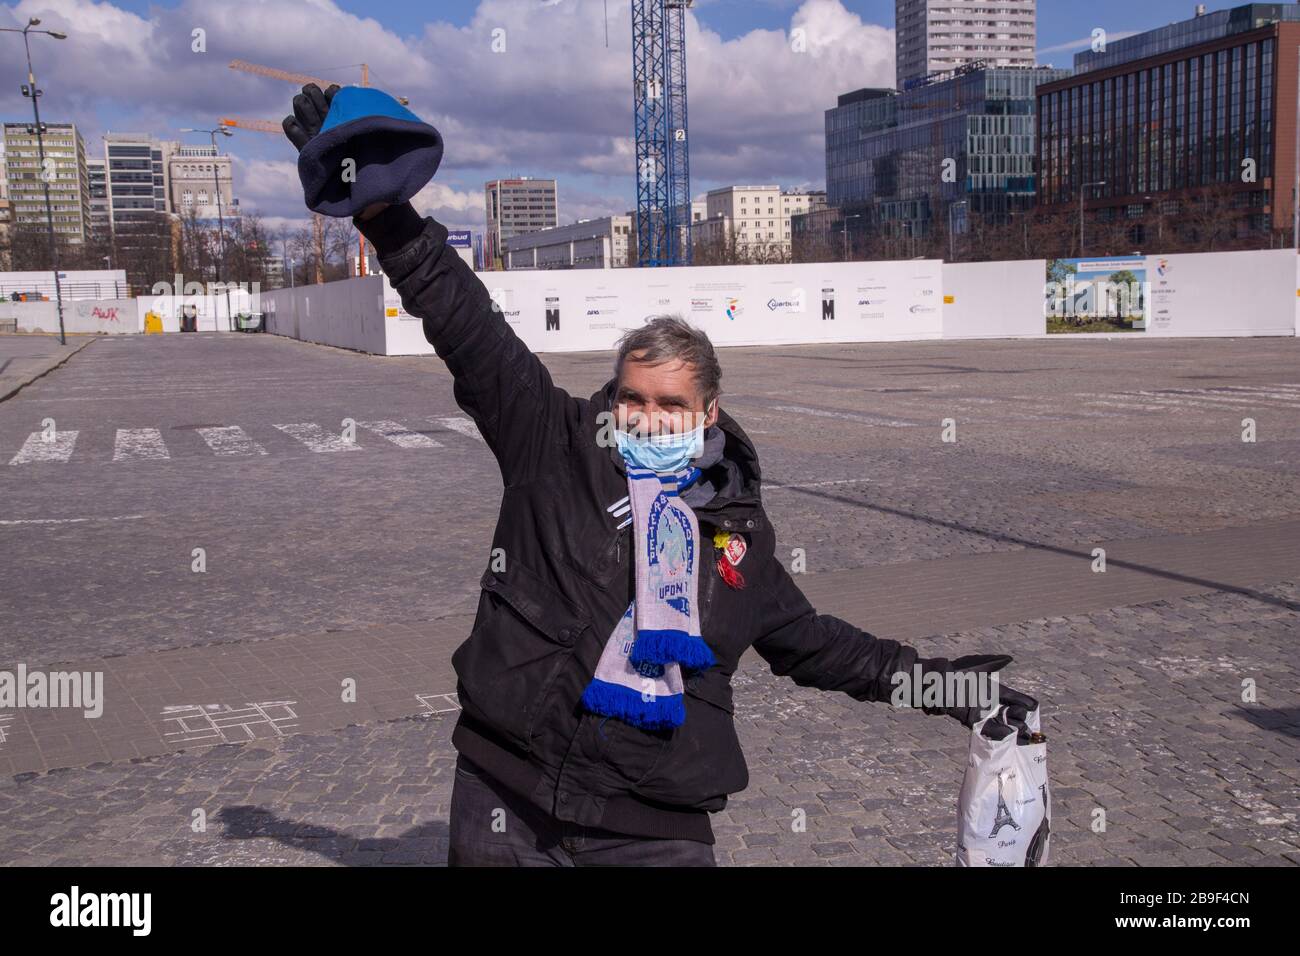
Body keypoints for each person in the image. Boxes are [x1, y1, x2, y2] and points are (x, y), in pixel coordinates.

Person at [283, 84, 1038, 867]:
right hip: (505, 796)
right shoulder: (552, 440)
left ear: (709, 411)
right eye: (632, 397)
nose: (647, 416)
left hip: (653, 827)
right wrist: (382, 212)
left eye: (670, 402)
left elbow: (817, 645)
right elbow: (463, 320)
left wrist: (941, 687)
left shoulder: (736, 533)